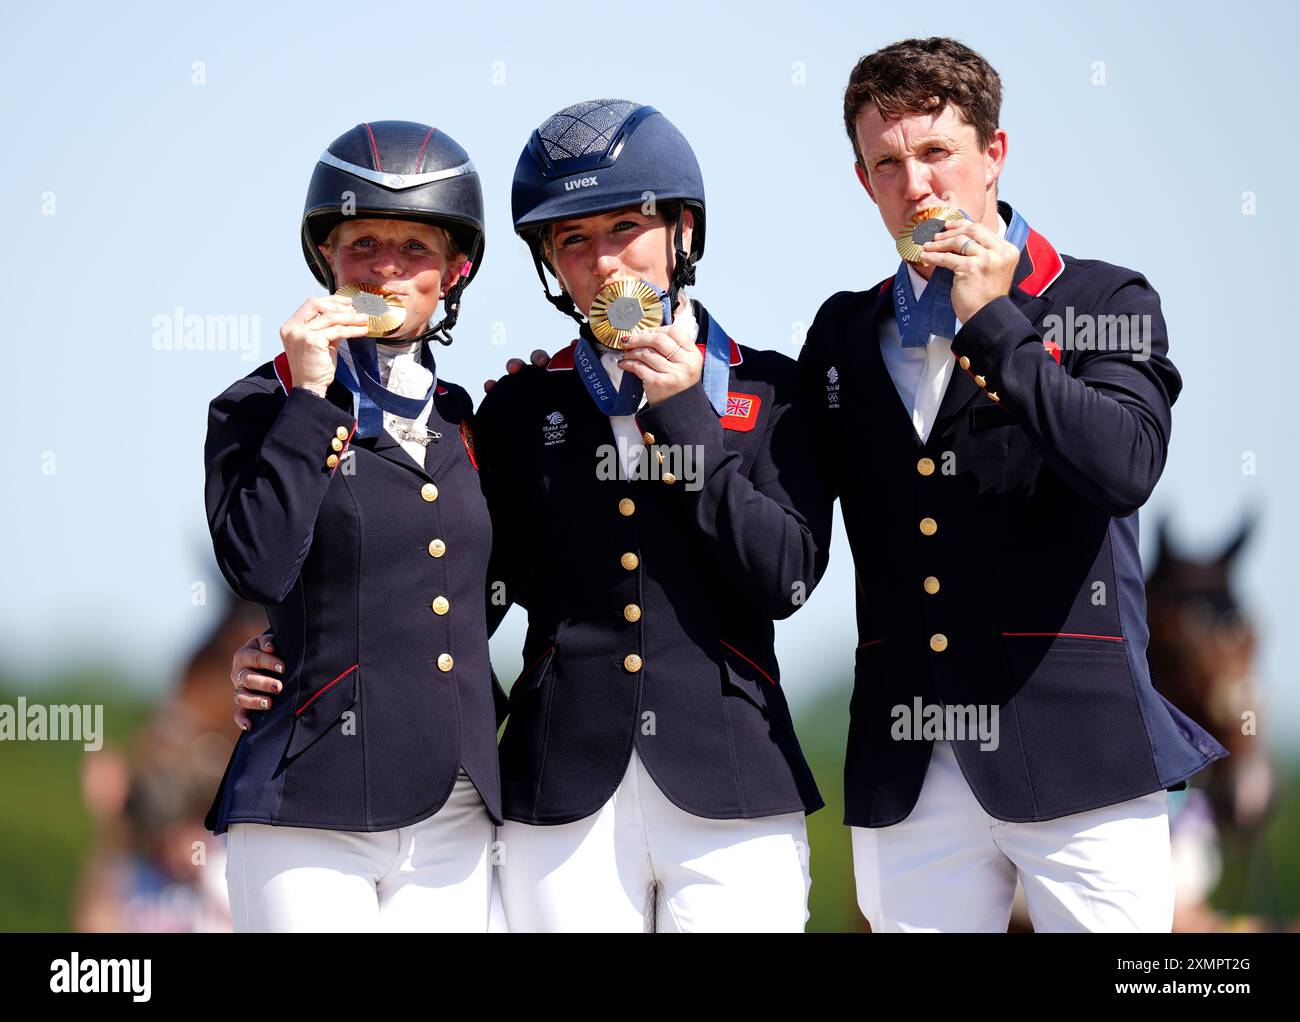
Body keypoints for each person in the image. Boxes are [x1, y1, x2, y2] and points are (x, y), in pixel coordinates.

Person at [234, 99, 833, 932]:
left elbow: (786, 577)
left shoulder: (774, 394)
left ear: (682, 234)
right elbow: (459, 585)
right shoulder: (516, 409)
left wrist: (687, 413)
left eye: (625, 228)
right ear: (553, 264)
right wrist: (301, 653)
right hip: (557, 795)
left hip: (734, 784)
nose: (603, 262)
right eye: (574, 242)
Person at [796, 37, 1228, 932]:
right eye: (886, 163)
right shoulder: (840, 334)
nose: (914, 183)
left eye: (936, 153)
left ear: (994, 154)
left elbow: (1126, 465)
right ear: (863, 181)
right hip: (906, 766)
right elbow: (784, 527)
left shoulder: (1106, 299)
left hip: (1083, 757)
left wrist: (994, 322)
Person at [204, 120, 502, 932]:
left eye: (415, 247)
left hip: (456, 808)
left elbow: (481, 593)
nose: (386, 267)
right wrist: (309, 399)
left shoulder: (467, 422)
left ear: (455, 270)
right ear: (326, 258)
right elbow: (259, 569)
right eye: (363, 242)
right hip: (310, 798)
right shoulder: (256, 405)